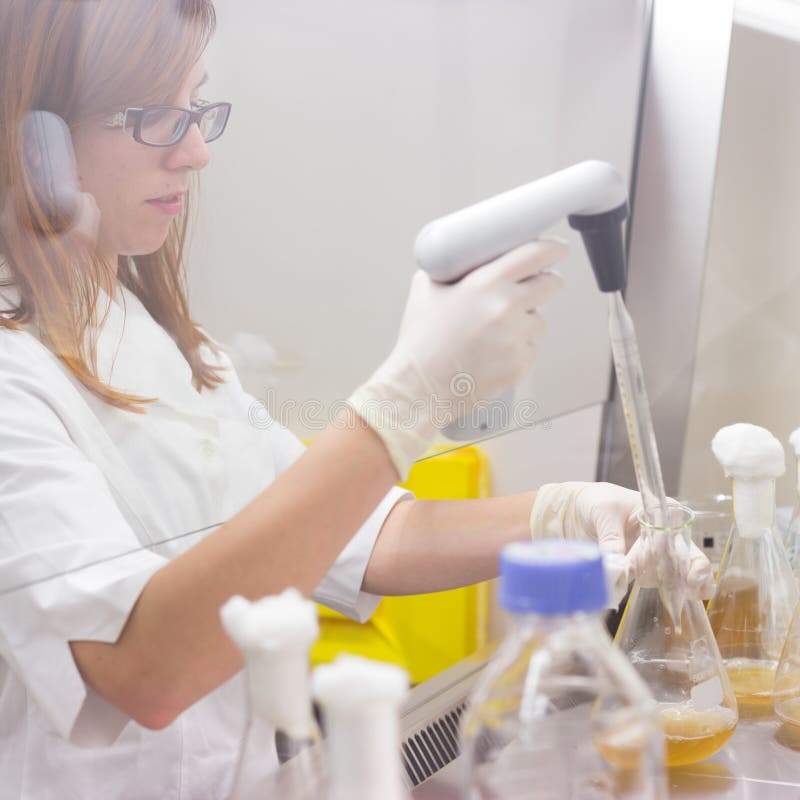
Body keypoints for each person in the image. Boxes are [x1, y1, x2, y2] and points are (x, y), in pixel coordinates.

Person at [0, 1, 712, 798]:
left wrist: (565, 513)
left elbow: (359, 536)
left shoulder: (155, 336)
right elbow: (143, 670)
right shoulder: (12, 380)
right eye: (156, 118)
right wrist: (407, 397)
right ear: (36, 142)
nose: (195, 152)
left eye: (195, 107)